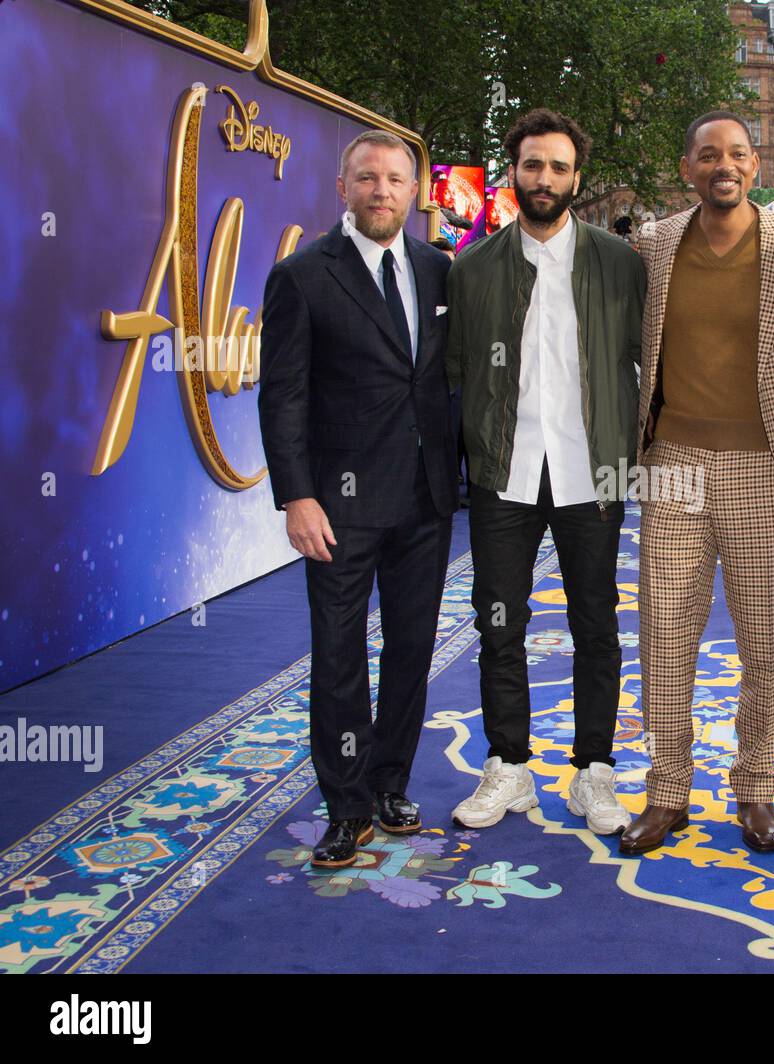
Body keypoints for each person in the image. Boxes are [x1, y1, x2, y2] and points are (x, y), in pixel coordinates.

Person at [619, 110, 774, 856]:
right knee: (665, 634)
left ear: (755, 164)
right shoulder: (650, 245)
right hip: (673, 464)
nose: (724, 164)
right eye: (707, 153)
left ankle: (755, 788)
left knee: (765, 641)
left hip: (765, 468)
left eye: (738, 154)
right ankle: (667, 790)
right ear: (687, 168)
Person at [258, 130, 459, 868]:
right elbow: (282, 398)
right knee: (339, 656)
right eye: (367, 178)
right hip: (338, 507)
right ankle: (344, 805)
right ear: (342, 187)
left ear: (415, 192)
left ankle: (389, 783)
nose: (381, 191)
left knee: (411, 650)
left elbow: (446, 382)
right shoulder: (303, 275)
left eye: (395, 180)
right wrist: (297, 497)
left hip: (425, 500)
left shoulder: (440, 270)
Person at [445, 109, 646, 835]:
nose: (546, 179)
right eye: (534, 165)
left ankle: (593, 770)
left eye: (559, 167)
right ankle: (510, 767)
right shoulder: (471, 269)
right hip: (505, 473)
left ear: (576, 178)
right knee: (500, 623)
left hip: (592, 473)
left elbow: (644, 365)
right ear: (513, 172)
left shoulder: (620, 264)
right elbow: (456, 373)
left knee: (596, 622)